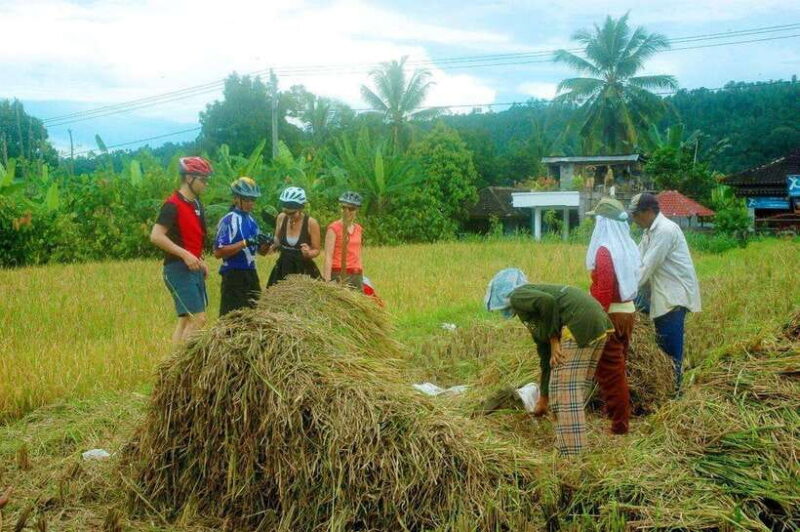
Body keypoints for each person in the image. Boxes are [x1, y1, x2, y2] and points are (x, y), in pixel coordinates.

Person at [486, 269, 613, 456]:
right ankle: (573, 446)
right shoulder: (531, 312)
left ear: (501, 294)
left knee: (565, 390)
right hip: (595, 320)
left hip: (579, 321)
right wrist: (543, 399)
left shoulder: (517, 295)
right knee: (573, 389)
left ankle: (571, 456)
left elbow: (548, 302)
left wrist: (554, 341)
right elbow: (546, 358)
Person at [629, 192, 701, 388]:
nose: (634, 219)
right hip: (660, 293)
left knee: (670, 350)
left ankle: (675, 392)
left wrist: (623, 292)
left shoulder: (665, 231)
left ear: (649, 211)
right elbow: (636, 260)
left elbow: (646, 268)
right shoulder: (649, 232)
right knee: (661, 344)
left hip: (673, 296)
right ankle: (665, 386)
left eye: (636, 214)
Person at [585, 198, 641, 435]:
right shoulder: (628, 246)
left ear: (603, 222)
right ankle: (616, 414)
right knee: (618, 367)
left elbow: (604, 291)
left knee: (611, 373)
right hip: (628, 312)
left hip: (611, 315)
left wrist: (593, 320)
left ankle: (620, 426)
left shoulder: (605, 250)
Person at [150, 156, 213, 344]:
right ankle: (186, 361)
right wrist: (185, 255)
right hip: (177, 268)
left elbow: (194, 238)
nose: (206, 184)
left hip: (193, 267)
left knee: (186, 320)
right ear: (189, 178)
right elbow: (156, 236)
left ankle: (174, 359)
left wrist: (200, 261)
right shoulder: (172, 205)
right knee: (198, 319)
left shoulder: (197, 204)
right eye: (202, 179)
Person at [213, 177, 273, 316]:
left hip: (251, 274)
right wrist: (245, 242)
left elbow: (262, 252)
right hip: (233, 275)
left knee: (255, 317)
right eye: (246, 200)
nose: (250, 203)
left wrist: (266, 243)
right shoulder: (228, 220)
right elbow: (218, 252)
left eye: (253, 200)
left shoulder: (252, 221)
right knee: (232, 319)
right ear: (236, 199)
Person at [266, 186, 321, 286]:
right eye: (286, 212)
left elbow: (317, 249)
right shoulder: (281, 218)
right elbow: (277, 240)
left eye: (292, 213)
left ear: (301, 208)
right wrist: (271, 245)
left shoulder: (311, 223)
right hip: (283, 267)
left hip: (303, 269)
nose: (289, 216)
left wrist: (308, 253)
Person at [323, 191, 364, 290]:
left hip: (356, 274)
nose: (347, 211)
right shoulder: (333, 228)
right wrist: (327, 281)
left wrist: (361, 275)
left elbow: (358, 254)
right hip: (339, 273)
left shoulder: (358, 229)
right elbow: (328, 256)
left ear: (356, 210)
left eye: (351, 209)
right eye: (344, 208)